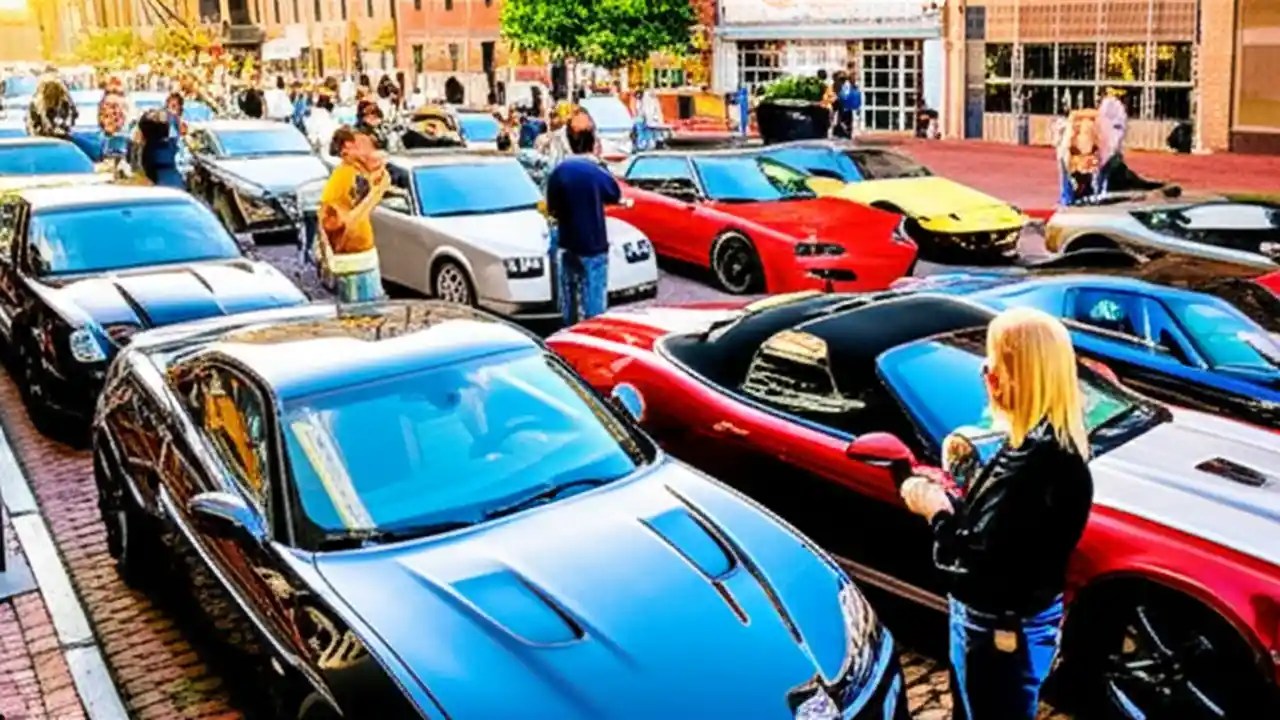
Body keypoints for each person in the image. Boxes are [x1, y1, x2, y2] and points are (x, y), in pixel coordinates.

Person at [900, 307, 1093, 720]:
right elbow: (1007, 536)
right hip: (1008, 623)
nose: (985, 375)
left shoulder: (1038, 463)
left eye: (993, 364)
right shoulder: (1045, 443)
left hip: (998, 630)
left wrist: (934, 510)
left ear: (1014, 377)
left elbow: (978, 561)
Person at [545, 111, 623, 325]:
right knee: (594, 297)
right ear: (593, 144)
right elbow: (614, 193)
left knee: (569, 293)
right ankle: (592, 331)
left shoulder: (559, 171)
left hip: (568, 241)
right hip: (593, 244)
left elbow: (552, 208)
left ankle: (569, 330)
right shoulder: (596, 171)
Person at [319, 126, 390, 305]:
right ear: (348, 148)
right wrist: (377, 193)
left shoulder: (358, 173)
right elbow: (341, 224)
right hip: (354, 265)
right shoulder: (342, 178)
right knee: (361, 315)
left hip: (363, 261)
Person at [136, 92, 188, 189]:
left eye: (174, 106)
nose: (171, 110)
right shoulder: (166, 121)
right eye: (169, 105)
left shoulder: (177, 124)